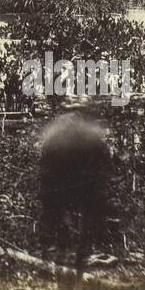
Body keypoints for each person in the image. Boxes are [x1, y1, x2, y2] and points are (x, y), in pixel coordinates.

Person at [39, 108, 111, 278]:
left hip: (62, 182)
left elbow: (45, 164)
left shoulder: (56, 131)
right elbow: (104, 164)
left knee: (54, 217)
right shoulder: (89, 133)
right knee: (88, 214)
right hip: (75, 181)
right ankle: (78, 255)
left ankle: (54, 255)